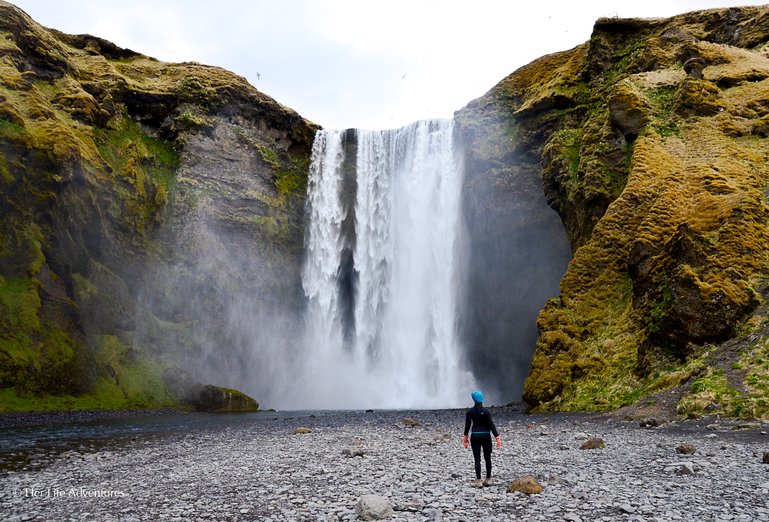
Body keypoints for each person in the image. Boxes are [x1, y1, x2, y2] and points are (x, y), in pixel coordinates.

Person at [462, 390, 501, 487]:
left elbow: (467, 425)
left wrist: (465, 437)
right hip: (486, 435)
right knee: (487, 458)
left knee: (477, 458)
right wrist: (497, 437)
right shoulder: (486, 411)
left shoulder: (470, 411)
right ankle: (488, 479)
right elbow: (491, 425)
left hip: (475, 435)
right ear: (482, 399)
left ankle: (478, 480)